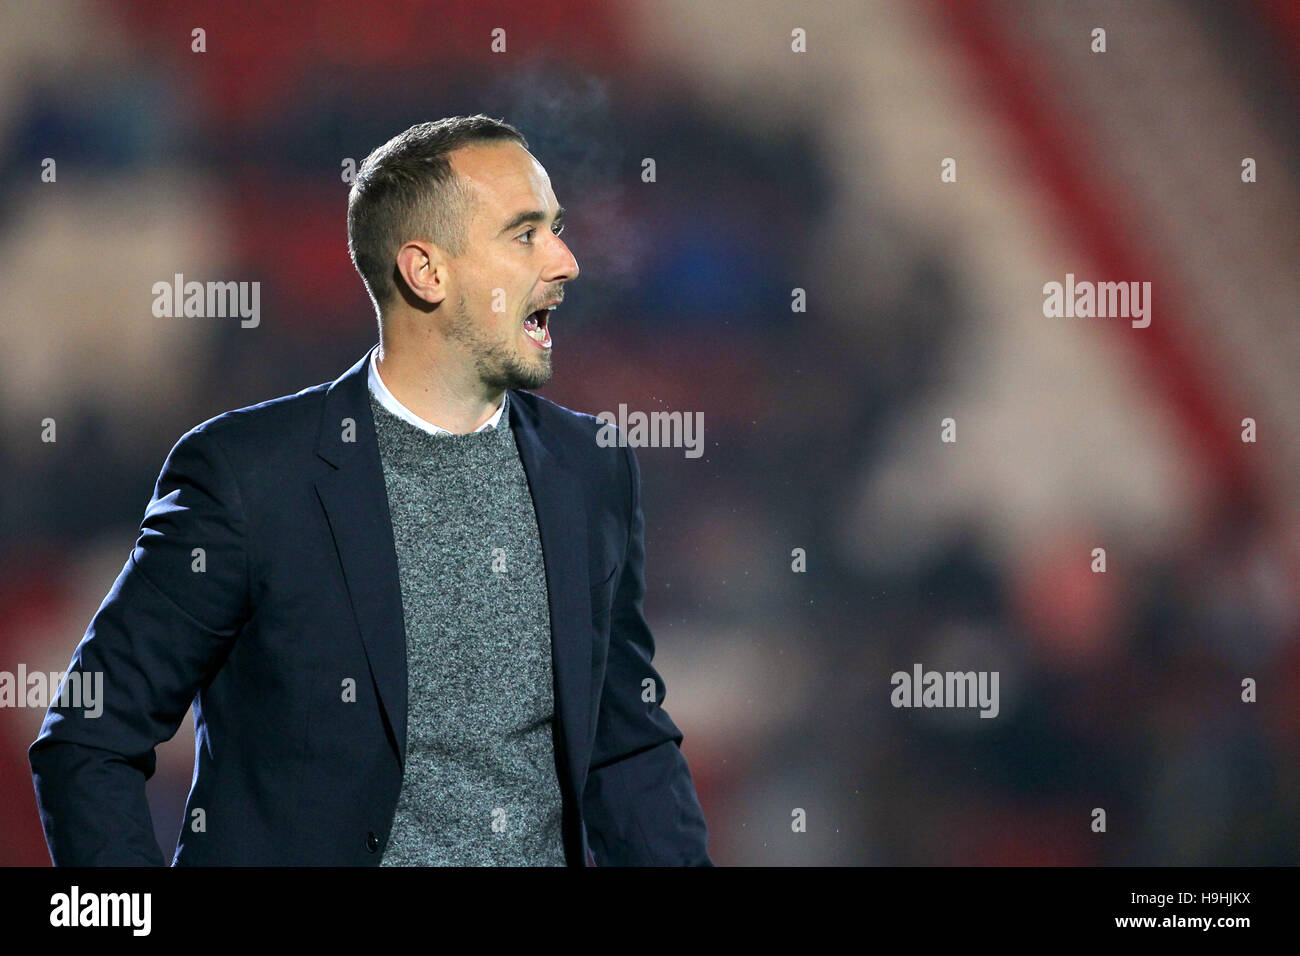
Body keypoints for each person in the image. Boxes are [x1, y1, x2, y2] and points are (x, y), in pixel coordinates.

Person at [29, 115, 713, 866]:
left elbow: (626, 752)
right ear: (426, 272)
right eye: (525, 234)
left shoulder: (592, 469)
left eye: (558, 228)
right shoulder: (249, 477)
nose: (567, 261)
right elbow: (90, 738)